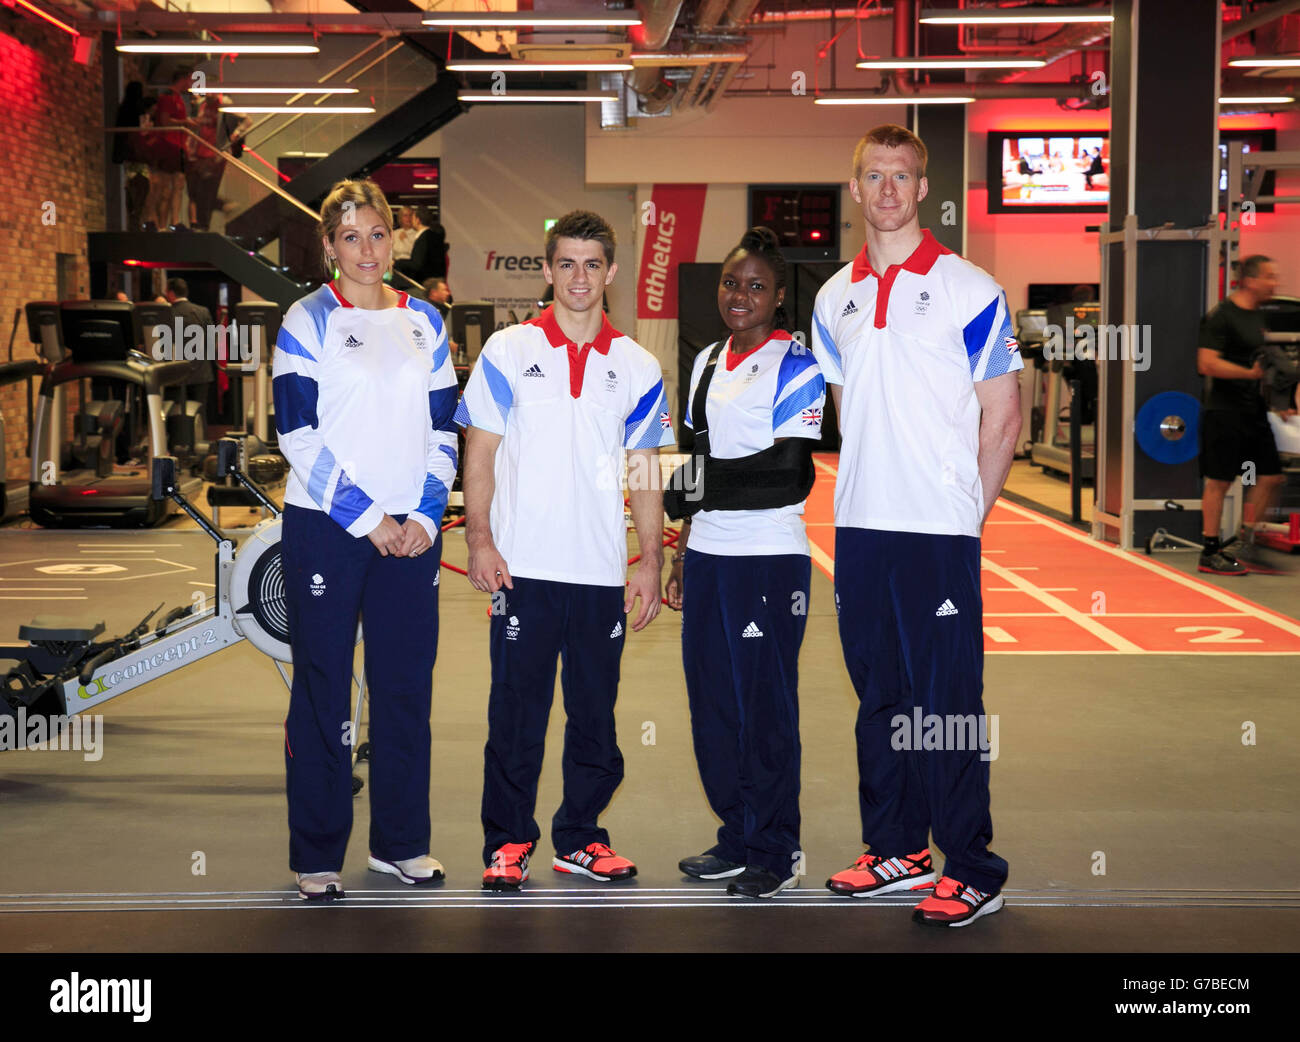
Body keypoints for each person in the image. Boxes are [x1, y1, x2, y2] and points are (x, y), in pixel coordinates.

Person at [811, 124, 1021, 928]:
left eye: (902, 174)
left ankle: (973, 866)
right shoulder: (835, 297)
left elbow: (1002, 418)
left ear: (922, 187)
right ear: (855, 188)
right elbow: (846, 410)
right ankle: (897, 848)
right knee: (880, 697)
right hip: (861, 527)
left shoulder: (971, 288)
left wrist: (964, 514)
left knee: (946, 703)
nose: (888, 188)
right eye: (874, 174)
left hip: (937, 534)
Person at [457, 209, 674, 891]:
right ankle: (509, 841)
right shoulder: (508, 350)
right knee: (515, 717)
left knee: (595, 718)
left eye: (592, 265)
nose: (579, 278)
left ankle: (580, 837)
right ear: (548, 270)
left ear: (611, 272)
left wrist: (650, 560)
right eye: (566, 264)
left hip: (598, 574)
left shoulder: (638, 366)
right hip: (523, 571)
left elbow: (644, 468)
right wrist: (480, 538)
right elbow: (481, 452)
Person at [271, 178, 459, 901]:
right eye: (351, 237)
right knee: (324, 690)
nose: (367, 249)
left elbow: (445, 430)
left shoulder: (426, 322)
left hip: (410, 534)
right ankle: (317, 853)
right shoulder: (306, 319)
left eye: (378, 234)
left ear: (394, 239)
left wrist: (419, 514)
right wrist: (366, 517)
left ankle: (401, 844)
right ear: (329, 245)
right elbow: (297, 433)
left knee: (406, 687)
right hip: (327, 528)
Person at [664, 227, 825, 899]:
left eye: (756, 285)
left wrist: (691, 489)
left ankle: (776, 848)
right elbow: (693, 469)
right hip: (706, 557)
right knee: (713, 709)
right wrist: (679, 543)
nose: (740, 295)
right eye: (732, 282)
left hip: (768, 560)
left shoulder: (798, 365)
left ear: (778, 296)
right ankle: (738, 836)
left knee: (764, 710)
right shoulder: (704, 363)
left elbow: (790, 475)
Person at [1196, 255, 1288, 575]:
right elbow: (1206, 364)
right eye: (1269, 277)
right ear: (1250, 281)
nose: (1274, 283)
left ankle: (1246, 542)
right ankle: (1210, 551)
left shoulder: (1258, 315)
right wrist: (1248, 375)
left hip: (1253, 410)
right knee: (1219, 482)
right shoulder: (1221, 317)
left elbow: (1262, 362)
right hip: (1224, 410)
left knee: (1272, 476)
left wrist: (1278, 402)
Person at [396, 206, 448, 285]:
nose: (410, 220)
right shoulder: (432, 235)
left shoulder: (423, 238)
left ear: (418, 220)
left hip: (427, 284)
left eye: (412, 217)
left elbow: (417, 264)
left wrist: (397, 262)